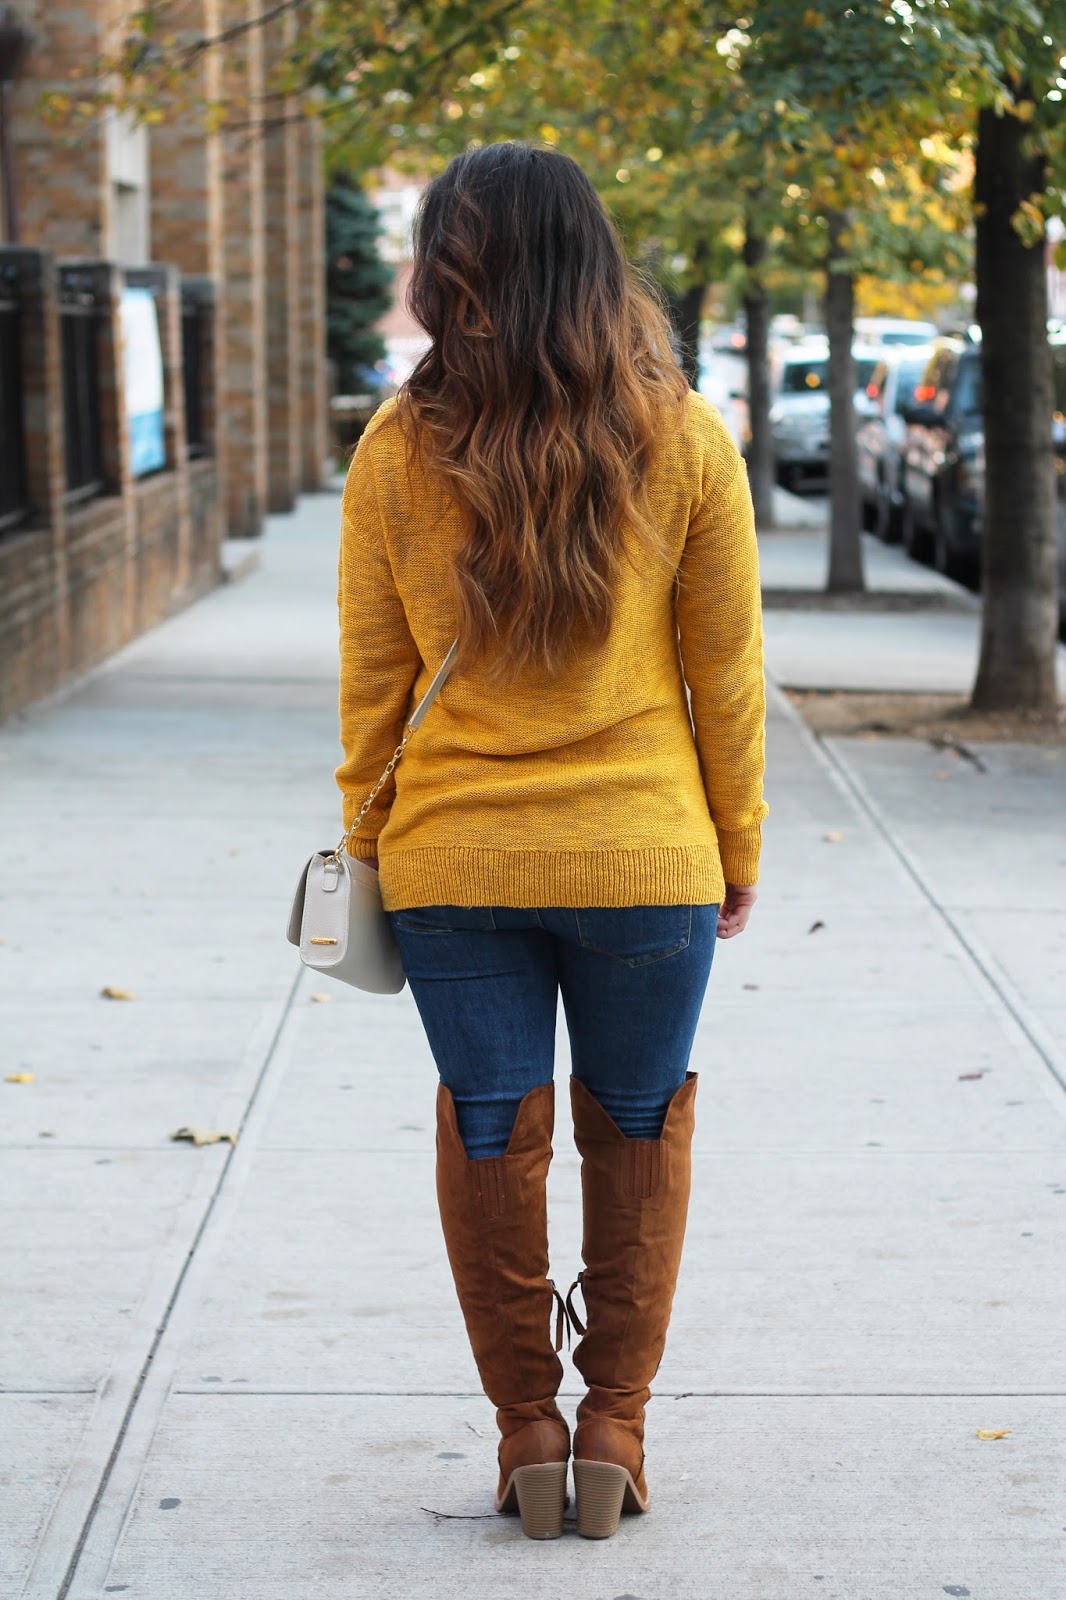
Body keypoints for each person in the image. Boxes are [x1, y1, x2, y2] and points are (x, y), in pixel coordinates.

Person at [335, 142, 766, 1541]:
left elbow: (371, 684)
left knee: (488, 1131)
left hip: (455, 862)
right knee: (635, 1129)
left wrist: (369, 841)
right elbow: (728, 674)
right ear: (594, 261)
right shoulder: (684, 438)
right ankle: (614, 1435)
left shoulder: (397, 452)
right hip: (646, 856)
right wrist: (736, 842)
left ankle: (526, 1430)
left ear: (444, 270)